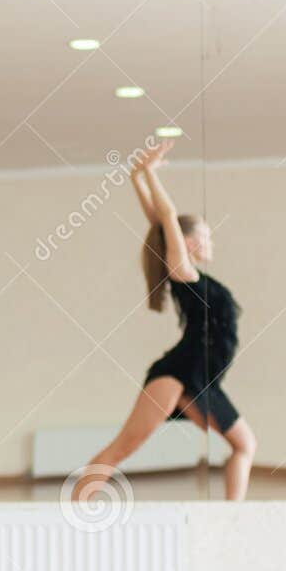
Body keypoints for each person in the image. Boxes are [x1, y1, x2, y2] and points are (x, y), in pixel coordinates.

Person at [74, 141, 255, 501]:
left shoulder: (194, 276)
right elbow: (166, 219)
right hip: (179, 376)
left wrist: (137, 177)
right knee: (122, 448)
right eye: (204, 235)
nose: (210, 240)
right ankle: (75, 508)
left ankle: (233, 517)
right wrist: (150, 174)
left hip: (202, 379)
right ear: (186, 244)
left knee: (244, 445)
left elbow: (158, 223)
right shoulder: (183, 272)